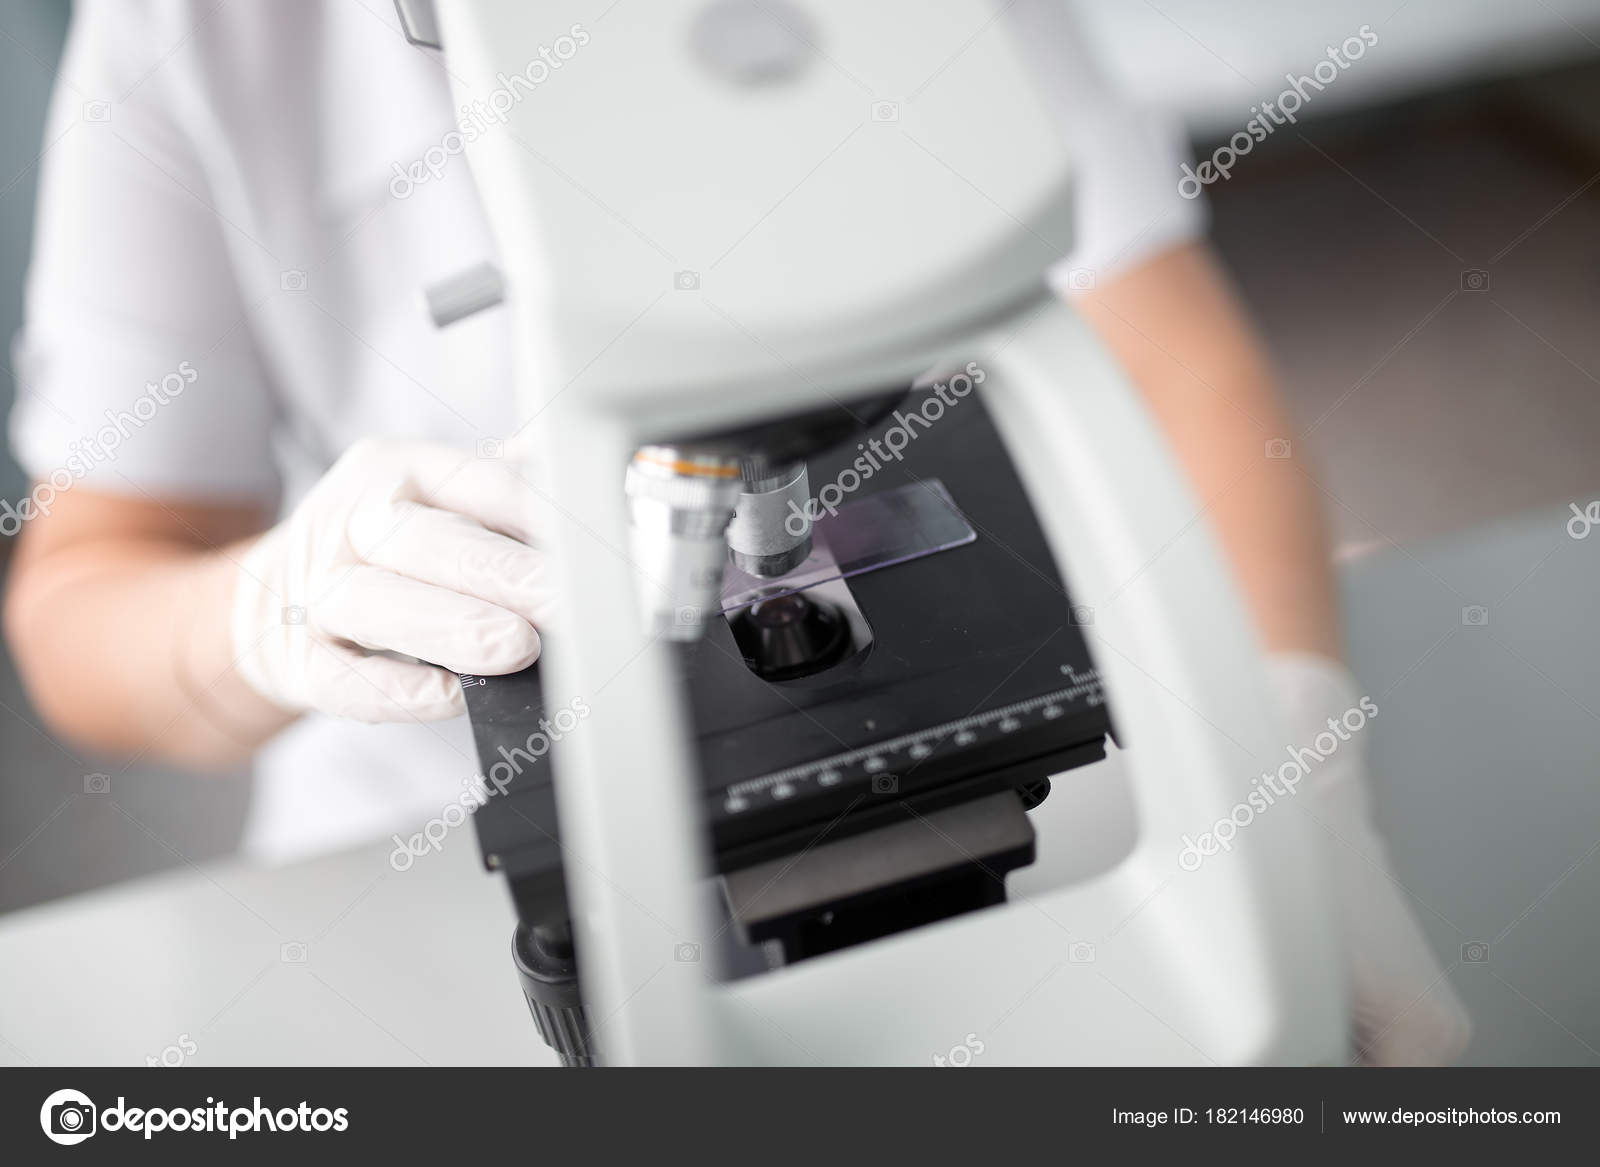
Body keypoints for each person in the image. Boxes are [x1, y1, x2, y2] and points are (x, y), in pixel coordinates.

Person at [4, 0, 1467, 1063]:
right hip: (415, 837)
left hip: (982, 772)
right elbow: (84, 595)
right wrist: (258, 616)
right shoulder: (191, 37)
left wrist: (1290, 755)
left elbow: (1162, 360)